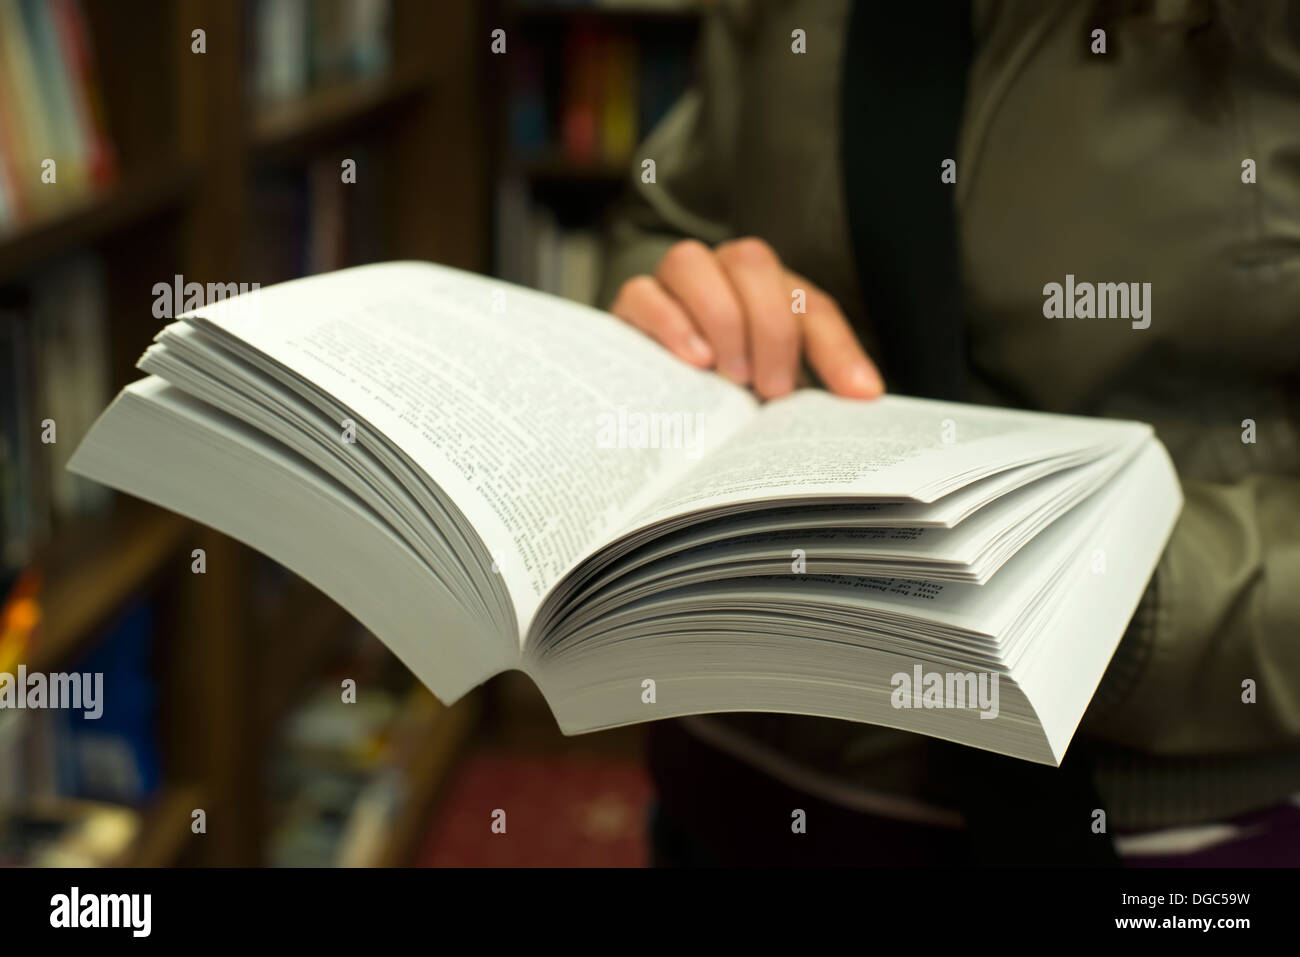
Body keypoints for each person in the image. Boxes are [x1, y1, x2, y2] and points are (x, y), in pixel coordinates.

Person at [598, 0, 1300, 865]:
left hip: (1163, 831)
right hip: (739, 772)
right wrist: (684, 309)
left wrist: (1108, 601)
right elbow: (667, 226)